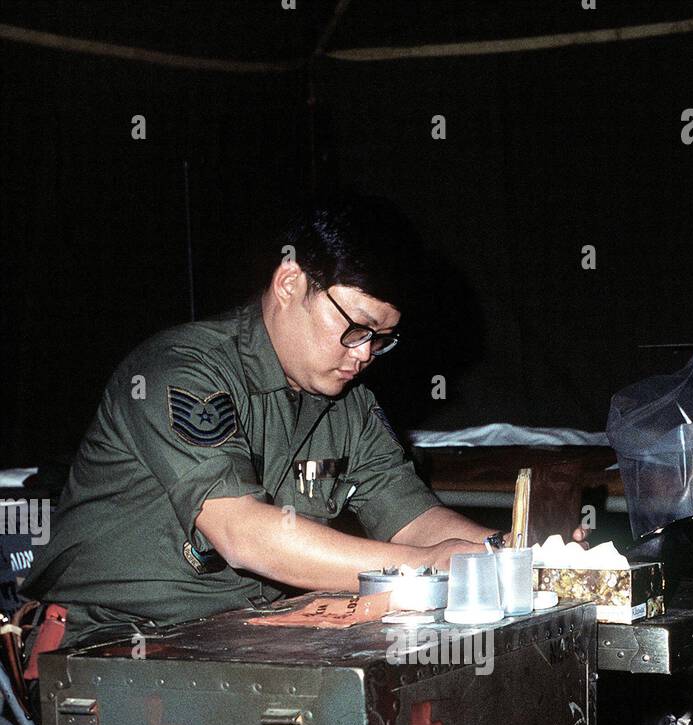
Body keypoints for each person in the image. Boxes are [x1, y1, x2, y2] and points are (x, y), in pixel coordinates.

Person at [23, 194, 502, 652]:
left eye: (380, 339)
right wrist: (424, 567)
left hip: (245, 635)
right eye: (354, 328)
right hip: (115, 640)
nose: (363, 355)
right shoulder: (183, 370)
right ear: (290, 283)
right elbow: (243, 534)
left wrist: (511, 555)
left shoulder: (347, 404)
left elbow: (412, 518)